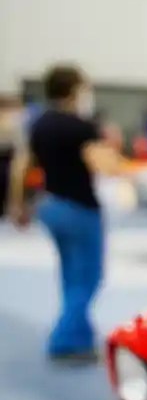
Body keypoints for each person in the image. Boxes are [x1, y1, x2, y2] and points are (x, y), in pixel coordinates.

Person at [12, 65, 122, 361]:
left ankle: (81, 338)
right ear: (75, 90)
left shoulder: (39, 124)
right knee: (90, 277)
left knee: (70, 274)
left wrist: (18, 204)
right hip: (80, 208)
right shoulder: (80, 127)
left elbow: (22, 167)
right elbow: (104, 166)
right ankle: (63, 338)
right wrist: (113, 151)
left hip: (51, 205)